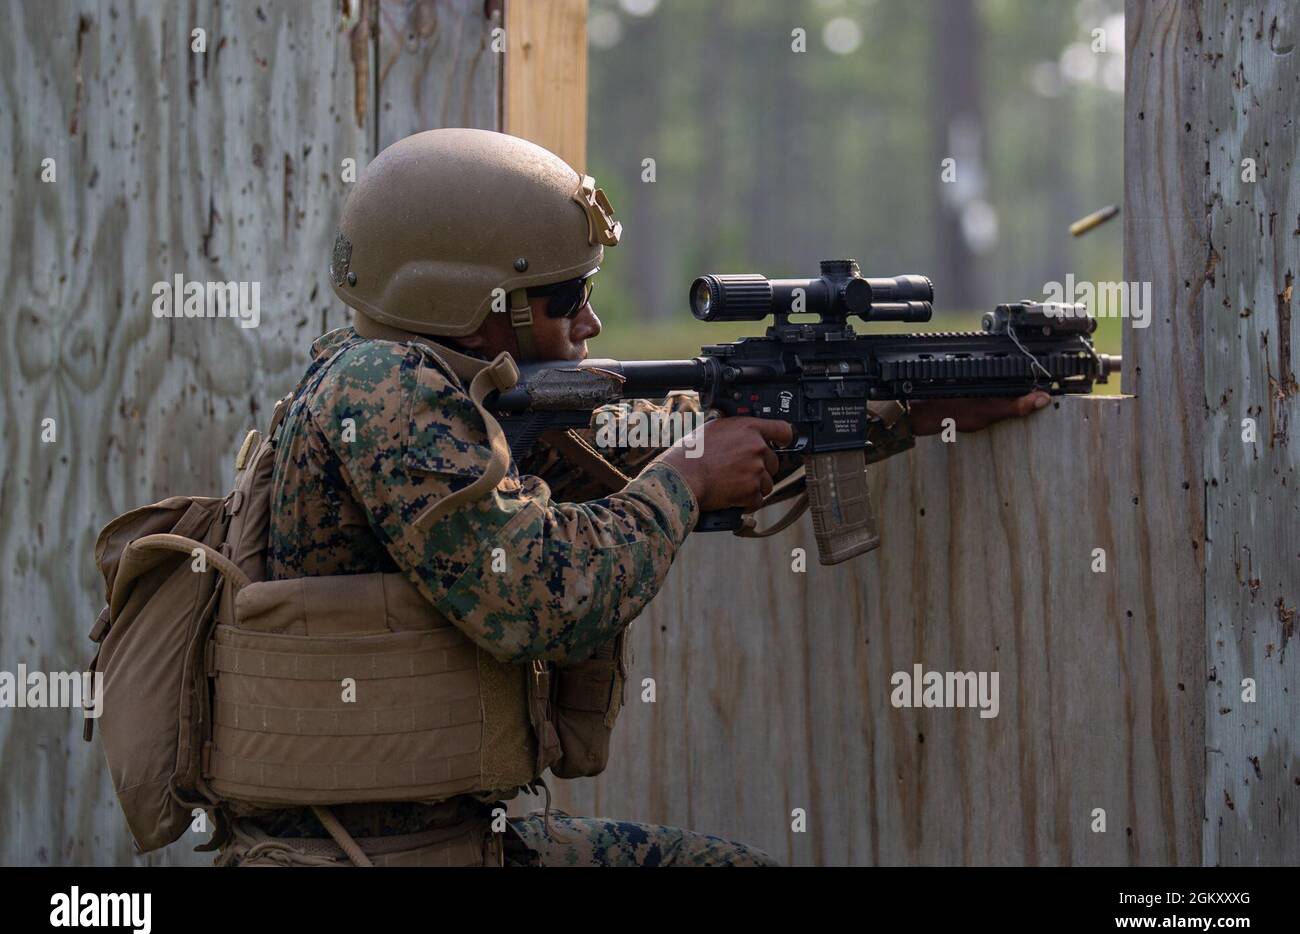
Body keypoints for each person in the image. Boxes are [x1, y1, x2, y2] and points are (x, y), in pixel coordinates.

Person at [226, 128, 1045, 867]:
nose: (589, 323)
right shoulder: (385, 392)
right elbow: (538, 598)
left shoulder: (430, 381)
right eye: (565, 298)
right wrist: (687, 480)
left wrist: (902, 407)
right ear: (474, 308)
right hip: (363, 853)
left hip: (430, 837)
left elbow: (634, 436)